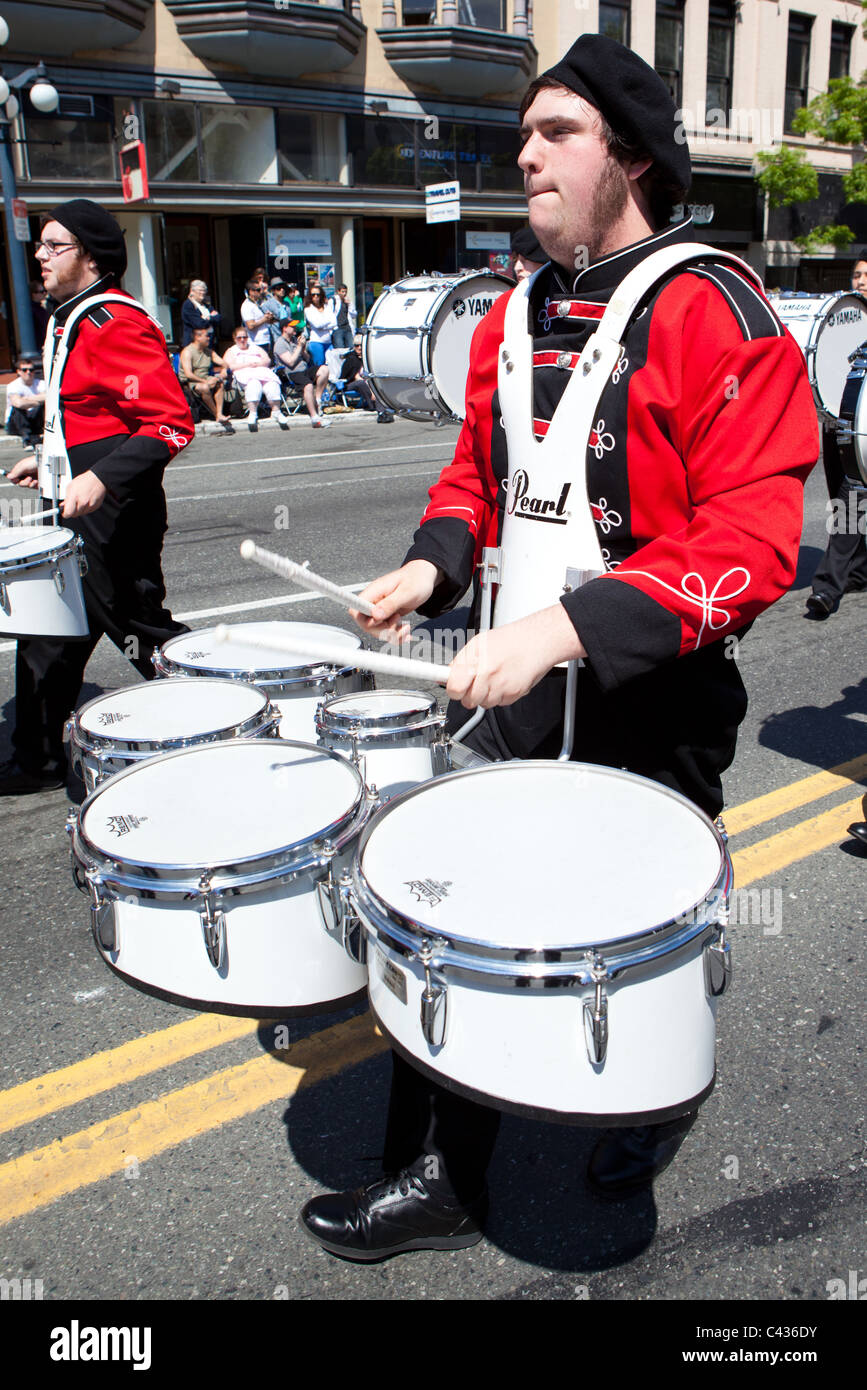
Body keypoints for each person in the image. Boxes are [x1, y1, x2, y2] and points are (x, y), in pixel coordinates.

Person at [298, 35, 819, 1262]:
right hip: (514, 697)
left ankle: (653, 1096)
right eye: (521, 137)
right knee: (465, 919)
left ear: (629, 156)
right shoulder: (513, 310)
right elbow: (478, 474)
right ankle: (441, 1169)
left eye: (556, 134)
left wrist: (573, 627)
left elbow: (756, 536)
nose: (522, 155)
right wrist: (435, 560)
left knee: (641, 943)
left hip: (651, 700)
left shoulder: (713, 309)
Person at [0, 198, 194, 796]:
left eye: (54, 246)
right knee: (48, 628)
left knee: (141, 632)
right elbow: (88, 413)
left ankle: (228, 711)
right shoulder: (71, 316)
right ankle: (35, 756)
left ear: (90, 257)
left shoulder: (115, 321)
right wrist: (53, 460)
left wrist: (100, 476)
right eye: (41, 244)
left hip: (113, 513)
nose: (40, 254)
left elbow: (170, 423)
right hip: (72, 496)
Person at [805, 256, 867, 617]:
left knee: (851, 497)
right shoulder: (845, 312)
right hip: (837, 417)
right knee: (837, 493)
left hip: (862, 425)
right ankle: (858, 571)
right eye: (857, 274)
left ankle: (827, 589)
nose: (860, 280)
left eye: (866, 276)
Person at [222, 325, 289, 432]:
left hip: (261, 371)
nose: (243, 340)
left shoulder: (255, 347)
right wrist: (247, 364)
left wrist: (258, 363)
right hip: (245, 374)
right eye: (239, 338)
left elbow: (267, 360)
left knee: (272, 384)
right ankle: (253, 413)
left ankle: (276, 411)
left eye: (245, 337)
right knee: (254, 384)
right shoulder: (231, 351)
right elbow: (229, 366)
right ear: (235, 339)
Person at [272, 320, 330, 427]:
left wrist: (303, 349)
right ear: (284, 328)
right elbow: (290, 362)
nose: (295, 328)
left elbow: (307, 359)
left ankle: (317, 400)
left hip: (304, 369)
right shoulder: (280, 344)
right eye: (292, 327)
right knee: (308, 386)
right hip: (292, 373)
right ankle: (314, 417)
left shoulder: (295, 340)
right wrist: (299, 347)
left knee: (324, 369)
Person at [178, 325, 233, 432]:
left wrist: (222, 372)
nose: (209, 338)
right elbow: (188, 374)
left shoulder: (208, 351)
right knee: (204, 387)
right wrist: (206, 381)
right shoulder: (187, 352)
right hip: (192, 382)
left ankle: (220, 413)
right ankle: (216, 414)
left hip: (206, 378)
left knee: (220, 383)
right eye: (206, 336)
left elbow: (224, 363)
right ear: (197, 337)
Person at [339, 333, 393, 422]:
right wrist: (370, 390)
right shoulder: (351, 358)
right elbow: (352, 376)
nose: (359, 348)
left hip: (366, 383)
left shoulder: (367, 358)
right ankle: (372, 404)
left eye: (361, 345)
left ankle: (382, 412)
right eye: (357, 346)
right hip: (349, 383)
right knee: (362, 383)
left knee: (378, 385)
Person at [4, 357, 45, 447]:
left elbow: (47, 397)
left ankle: (32, 437)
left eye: (31, 370)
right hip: (15, 423)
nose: (28, 372)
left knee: (43, 406)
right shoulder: (13, 385)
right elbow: (18, 403)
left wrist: (26, 399)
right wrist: (38, 400)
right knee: (18, 409)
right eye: (24, 370)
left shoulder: (41, 383)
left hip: (34, 419)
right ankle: (27, 439)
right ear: (18, 371)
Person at [181, 279, 221, 348]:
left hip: (209, 343)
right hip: (194, 345)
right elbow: (199, 324)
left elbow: (218, 318)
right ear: (192, 291)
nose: (202, 293)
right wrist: (211, 318)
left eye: (204, 290)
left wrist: (207, 318)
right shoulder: (188, 305)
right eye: (200, 290)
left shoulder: (206, 305)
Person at [303, 286, 337, 369]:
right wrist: (327, 322)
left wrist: (323, 325)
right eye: (313, 294)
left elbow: (334, 322)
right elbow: (317, 325)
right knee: (319, 367)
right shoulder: (308, 309)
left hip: (328, 342)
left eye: (318, 294)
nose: (315, 296)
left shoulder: (327, 307)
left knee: (332, 366)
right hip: (316, 342)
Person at [240, 279, 275, 352]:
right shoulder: (247, 306)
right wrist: (264, 319)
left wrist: (269, 318)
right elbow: (250, 325)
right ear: (251, 291)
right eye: (258, 290)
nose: (261, 292)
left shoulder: (257, 304)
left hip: (265, 340)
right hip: (256, 342)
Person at [332, 283, 357, 350]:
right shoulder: (334, 300)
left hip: (347, 328)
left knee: (350, 348)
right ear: (338, 291)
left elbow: (354, 315)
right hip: (338, 328)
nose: (344, 294)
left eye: (345, 292)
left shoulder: (348, 301)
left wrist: (349, 305)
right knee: (340, 349)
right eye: (342, 292)